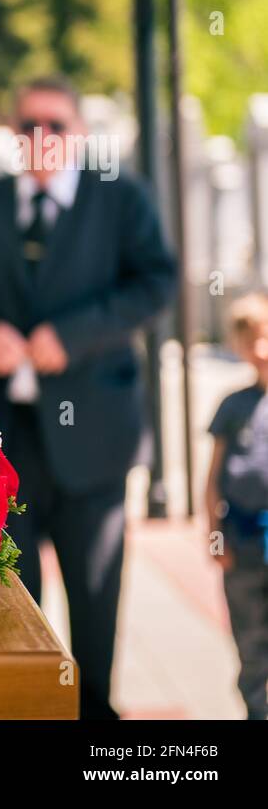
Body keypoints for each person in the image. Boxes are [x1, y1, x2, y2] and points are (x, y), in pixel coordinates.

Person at [0, 75, 177, 719]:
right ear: (14, 134)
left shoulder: (121, 201)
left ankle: (95, 721)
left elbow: (157, 281)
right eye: (28, 125)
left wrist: (76, 335)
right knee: (12, 597)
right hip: (3, 439)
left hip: (97, 433)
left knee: (95, 598)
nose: (42, 138)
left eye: (55, 125)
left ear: (79, 134)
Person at [205, 291, 268, 720]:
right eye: (250, 340)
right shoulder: (233, 405)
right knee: (250, 639)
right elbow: (211, 481)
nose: (260, 350)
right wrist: (213, 537)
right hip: (243, 539)